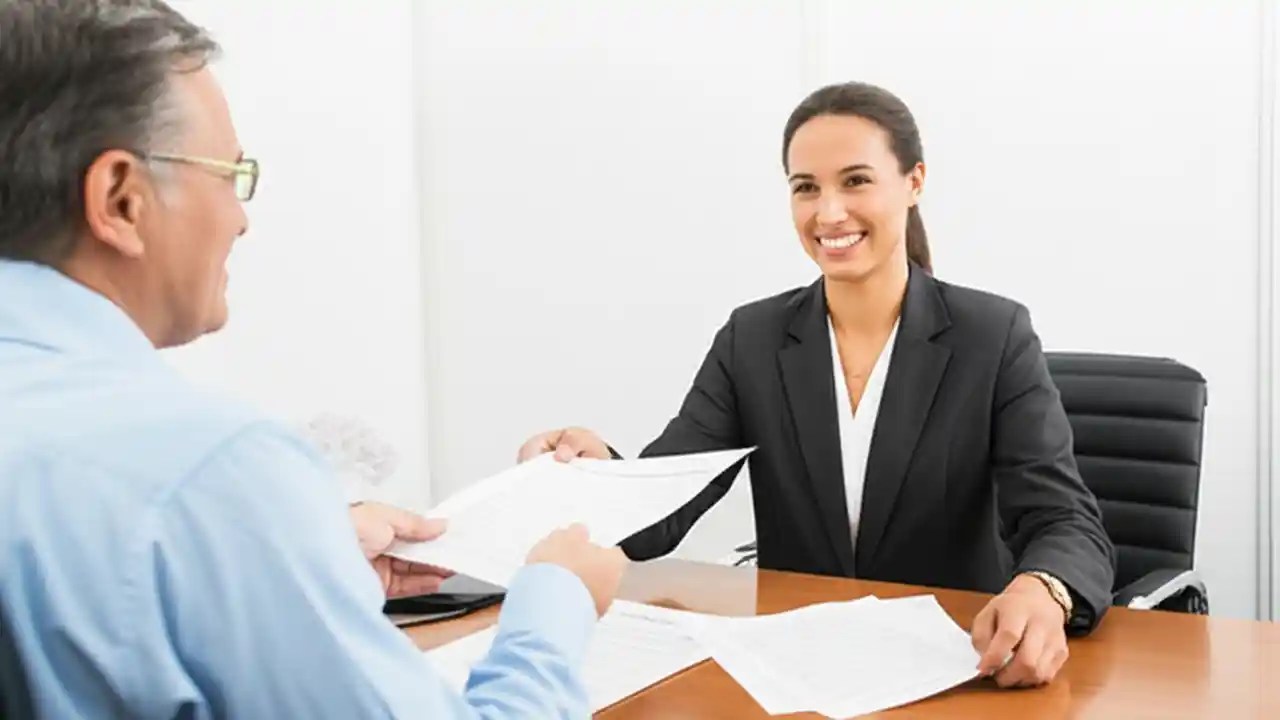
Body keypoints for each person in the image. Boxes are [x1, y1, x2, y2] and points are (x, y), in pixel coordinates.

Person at [0, 2, 626, 717]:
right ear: (121, 199)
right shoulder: (208, 470)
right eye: (230, 175)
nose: (241, 218)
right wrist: (556, 606)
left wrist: (296, 560)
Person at [520, 81, 1116, 689]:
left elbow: (1066, 521)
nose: (828, 213)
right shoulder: (752, 341)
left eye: (856, 181)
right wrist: (596, 473)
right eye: (806, 187)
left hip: (955, 667)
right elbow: (659, 516)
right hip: (801, 671)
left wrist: (1043, 588)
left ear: (914, 182)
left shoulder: (992, 335)